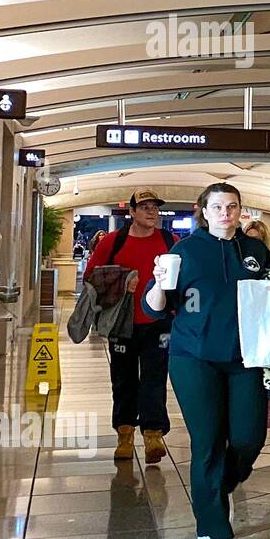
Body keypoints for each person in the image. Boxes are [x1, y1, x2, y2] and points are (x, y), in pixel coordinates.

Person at [143, 182, 270, 539]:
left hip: (244, 358)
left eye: (232, 207)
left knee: (249, 437)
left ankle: (217, 489)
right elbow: (156, 308)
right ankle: (208, 530)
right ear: (203, 211)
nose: (225, 213)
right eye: (217, 207)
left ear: (240, 211)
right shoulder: (184, 252)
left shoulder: (255, 251)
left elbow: (268, 294)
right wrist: (157, 282)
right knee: (208, 442)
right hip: (193, 358)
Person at [85, 189, 175, 464]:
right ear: (132, 212)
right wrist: (123, 281)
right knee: (123, 379)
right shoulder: (113, 242)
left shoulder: (170, 240)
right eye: (145, 207)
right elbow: (90, 276)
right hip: (122, 322)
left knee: (154, 378)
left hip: (158, 321)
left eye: (155, 207)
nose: (151, 212)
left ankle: (153, 435)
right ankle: (124, 434)